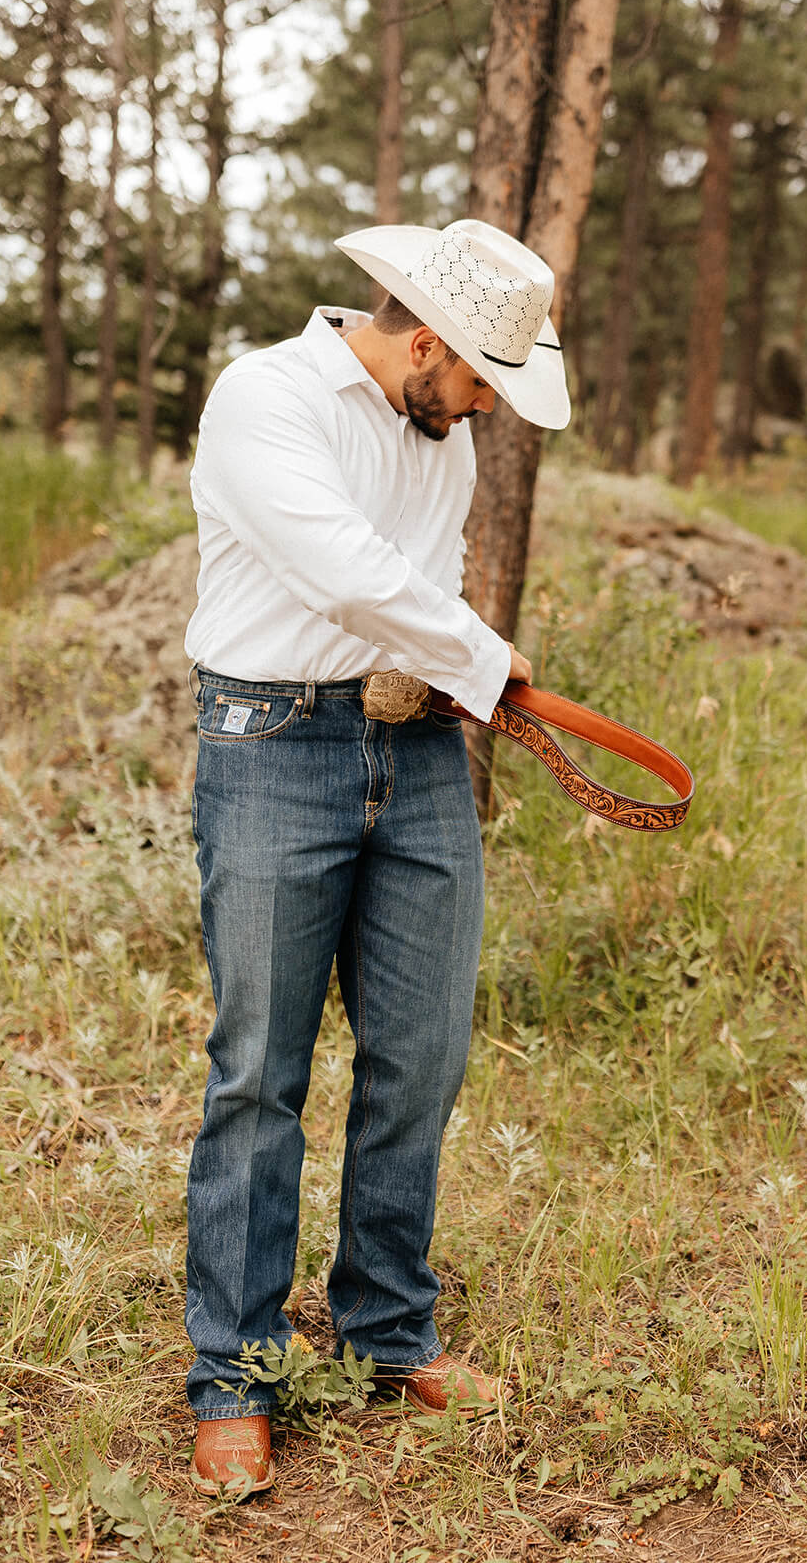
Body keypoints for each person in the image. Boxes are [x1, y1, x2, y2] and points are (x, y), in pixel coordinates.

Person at [183, 218, 571, 1495]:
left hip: (412, 759)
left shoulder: (438, 439)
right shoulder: (264, 398)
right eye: (473, 385)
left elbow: (420, 578)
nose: (477, 415)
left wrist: (455, 682)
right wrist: (481, 652)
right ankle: (232, 1370)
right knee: (260, 1068)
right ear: (423, 342)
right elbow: (341, 573)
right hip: (271, 743)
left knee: (422, 1053)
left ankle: (387, 1326)